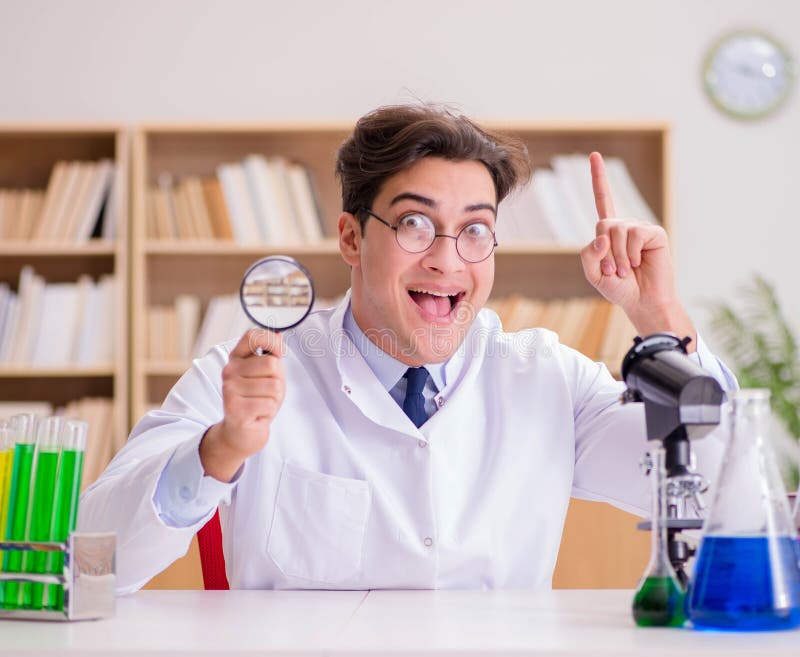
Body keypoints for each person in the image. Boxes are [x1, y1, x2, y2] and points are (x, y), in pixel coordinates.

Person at [80, 104, 736, 593]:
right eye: (416, 223)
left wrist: (661, 320)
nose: (448, 259)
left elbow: (717, 483)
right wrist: (219, 451)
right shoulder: (250, 378)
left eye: (476, 230)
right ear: (351, 238)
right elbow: (93, 558)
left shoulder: (546, 376)